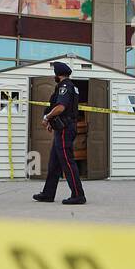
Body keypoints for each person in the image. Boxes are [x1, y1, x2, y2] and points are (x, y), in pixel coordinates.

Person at [33, 62, 86, 205]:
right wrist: (52, 122)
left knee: (68, 162)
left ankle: (78, 195)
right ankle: (48, 194)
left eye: (54, 73)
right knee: (54, 164)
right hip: (63, 128)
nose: (54, 76)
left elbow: (61, 107)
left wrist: (47, 117)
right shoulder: (73, 87)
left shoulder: (64, 87)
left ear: (58, 74)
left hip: (64, 129)